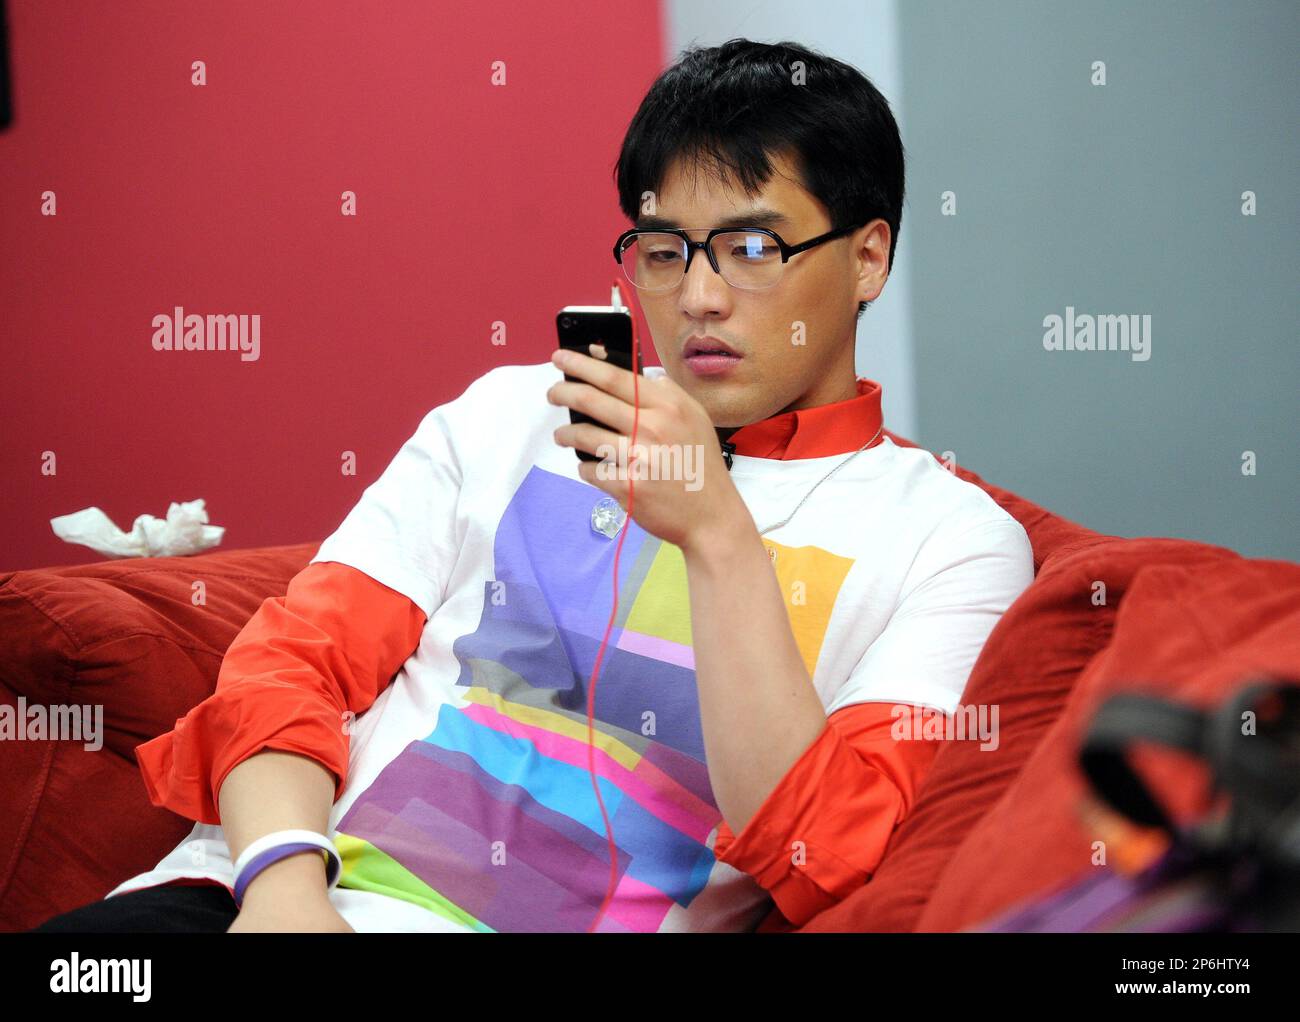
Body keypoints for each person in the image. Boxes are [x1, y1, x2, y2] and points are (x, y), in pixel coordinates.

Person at [32, 38, 1033, 934]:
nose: (696, 295)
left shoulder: (949, 539)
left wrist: (720, 536)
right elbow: (290, 665)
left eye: (752, 247)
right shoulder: (513, 415)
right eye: (662, 249)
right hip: (250, 897)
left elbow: (828, 850)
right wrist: (285, 885)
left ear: (866, 257)